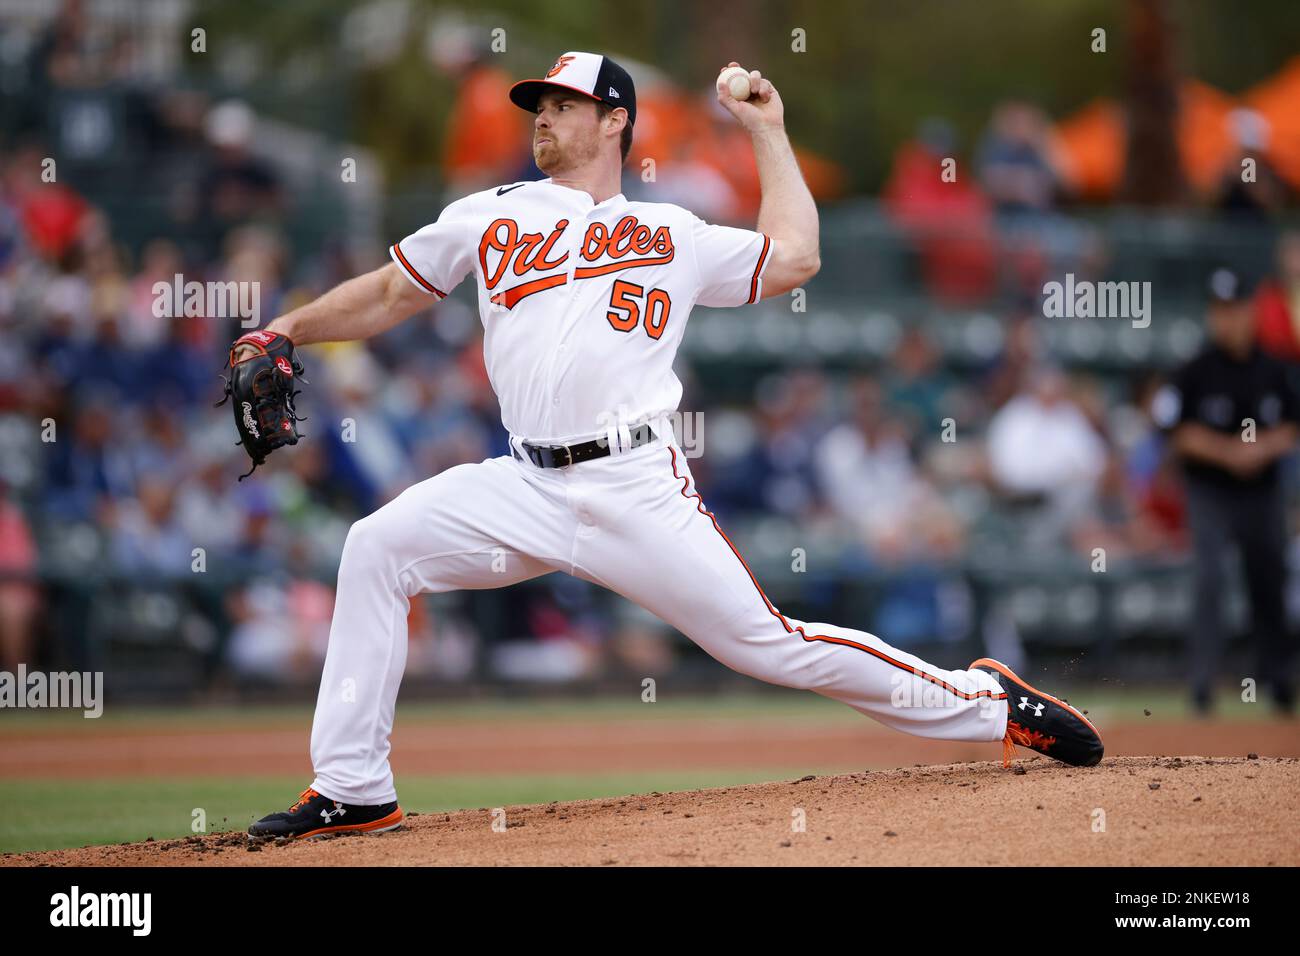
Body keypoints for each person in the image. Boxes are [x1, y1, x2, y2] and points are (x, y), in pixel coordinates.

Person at [239, 52, 1103, 840]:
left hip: (634, 483)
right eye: (536, 105)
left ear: (616, 119)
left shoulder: (672, 233)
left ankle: (989, 703)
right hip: (524, 482)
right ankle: (353, 784)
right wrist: (289, 327)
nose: (542, 117)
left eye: (564, 105)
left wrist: (766, 129)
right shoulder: (489, 215)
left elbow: (796, 257)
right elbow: (392, 291)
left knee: (771, 644)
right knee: (376, 546)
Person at [1154, 267, 1299, 715]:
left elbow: (1293, 426)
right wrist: (1229, 452)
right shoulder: (1194, 371)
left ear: (1251, 312)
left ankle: (1277, 681)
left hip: (1263, 492)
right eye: (1220, 311)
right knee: (1209, 579)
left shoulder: (1275, 369)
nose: (1228, 320)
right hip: (1211, 492)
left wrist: (1257, 450)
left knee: (1269, 577)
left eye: (1235, 310)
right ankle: (1202, 684)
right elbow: (1173, 431)